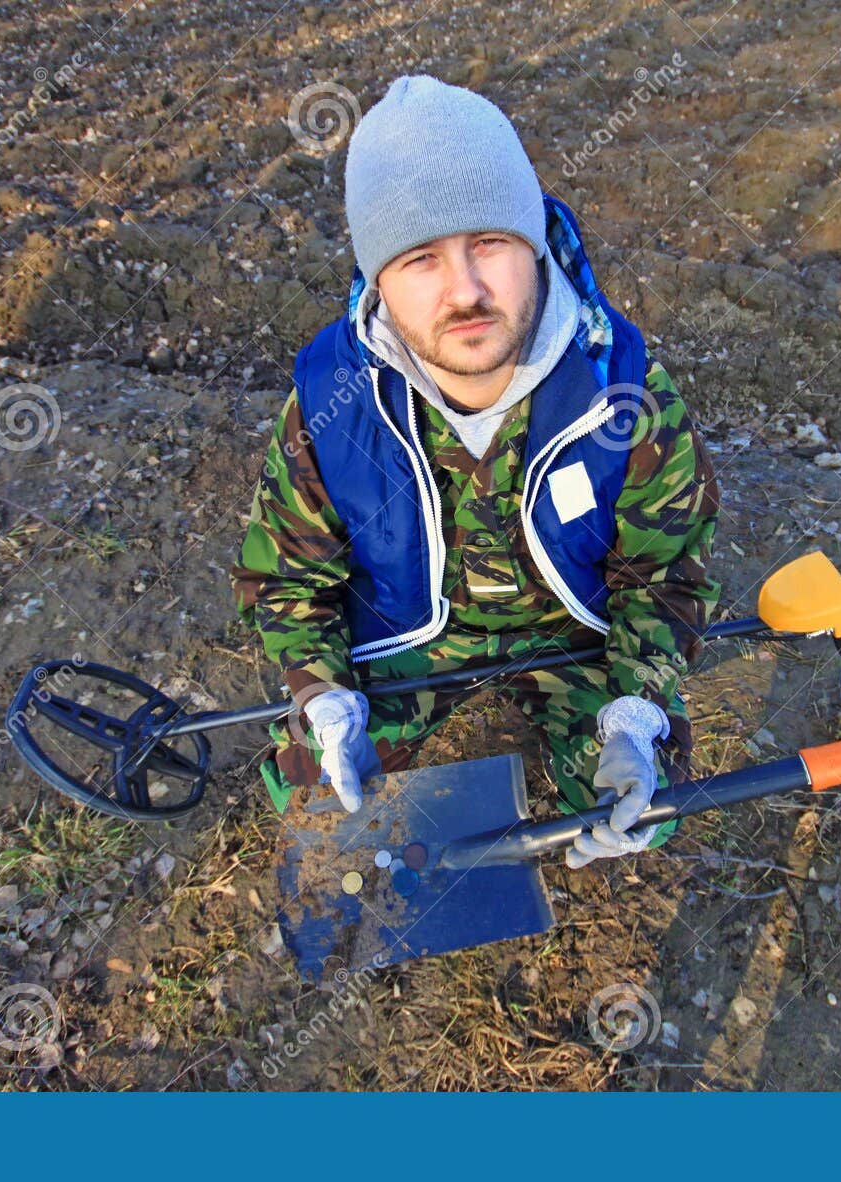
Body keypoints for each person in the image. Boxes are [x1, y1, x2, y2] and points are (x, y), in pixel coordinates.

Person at [231, 74, 720, 869]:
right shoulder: (333, 404)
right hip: (410, 636)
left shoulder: (621, 391)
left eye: (489, 242)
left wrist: (636, 713)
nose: (465, 291)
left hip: (574, 635)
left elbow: (667, 573)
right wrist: (322, 695)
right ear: (377, 281)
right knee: (309, 795)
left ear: (533, 243)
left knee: (641, 807)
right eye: (420, 258)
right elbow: (288, 580)